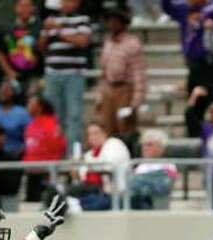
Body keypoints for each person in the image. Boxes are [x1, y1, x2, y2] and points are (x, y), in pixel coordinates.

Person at [163, 0, 213, 138]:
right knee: (194, 110)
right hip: (194, 68)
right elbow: (166, 6)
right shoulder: (183, 9)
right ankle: (193, 143)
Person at [40, 0, 93, 149]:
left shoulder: (82, 20)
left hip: (74, 74)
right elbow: (41, 47)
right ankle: (56, 150)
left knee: (74, 115)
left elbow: (82, 42)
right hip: (52, 74)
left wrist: (58, 30)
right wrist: (45, 31)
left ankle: (73, 152)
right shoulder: (51, 20)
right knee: (53, 116)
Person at [97, 5, 146, 138]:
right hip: (108, 88)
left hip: (125, 90)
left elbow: (138, 73)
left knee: (126, 129)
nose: (111, 24)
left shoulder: (132, 43)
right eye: (109, 21)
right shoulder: (108, 42)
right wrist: (100, 96)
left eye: (115, 21)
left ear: (123, 24)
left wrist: (136, 100)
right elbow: (103, 72)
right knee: (107, 129)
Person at [22, 96, 66, 203]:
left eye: (30, 103)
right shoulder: (31, 125)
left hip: (44, 175)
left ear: (39, 107)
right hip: (32, 174)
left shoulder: (52, 125)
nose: (27, 106)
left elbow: (58, 149)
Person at [0, 0, 43, 93]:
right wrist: (9, 72)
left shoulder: (40, 27)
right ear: (15, 8)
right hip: (11, 75)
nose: (25, 9)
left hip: (34, 75)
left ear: (33, 8)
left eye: (28, 6)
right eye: (21, 6)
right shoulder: (6, 28)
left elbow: (43, 49)